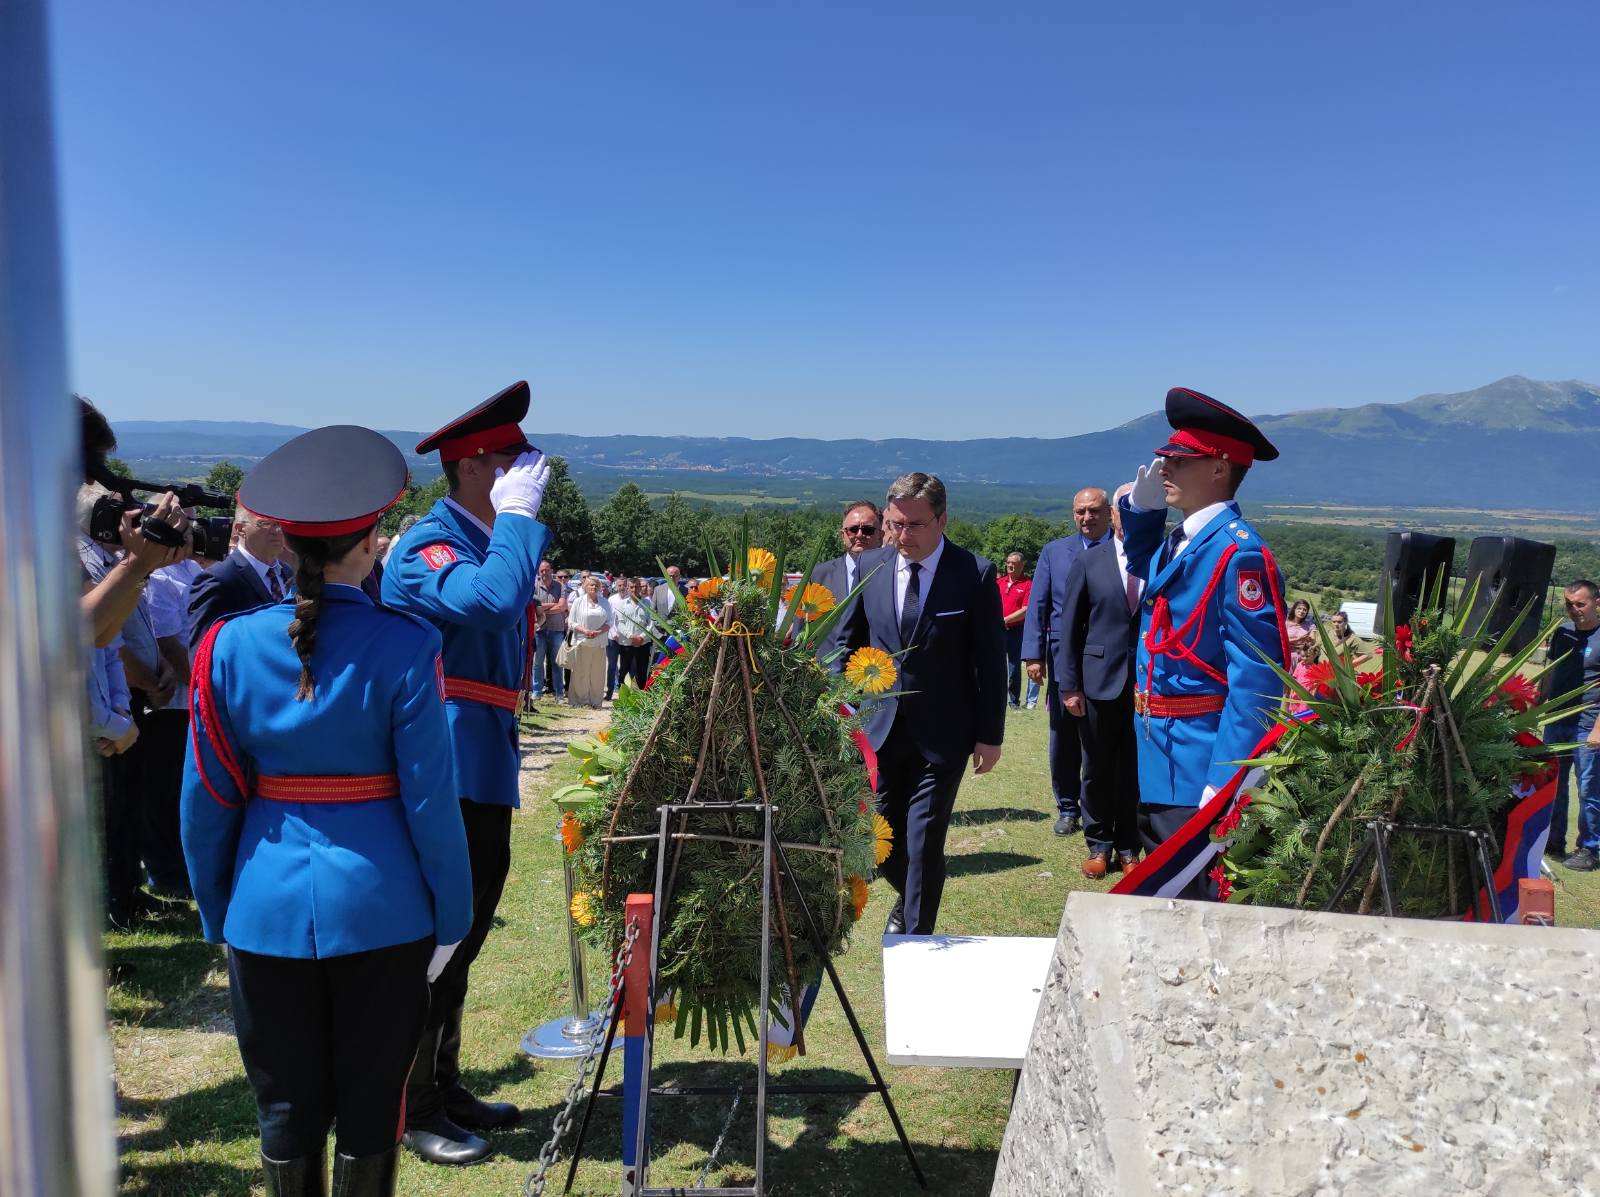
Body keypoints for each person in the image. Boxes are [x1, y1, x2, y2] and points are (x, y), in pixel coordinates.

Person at [181, 425, 473, 1196]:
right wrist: (453, 916)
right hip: (384, 911)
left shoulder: (227, 646)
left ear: (286, 540)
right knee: (372, 1109)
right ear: (372, 542)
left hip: (263, 908)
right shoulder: (406, 644)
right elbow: (431, 802)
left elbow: (208, 795)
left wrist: (217, 909)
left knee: (284, 1109)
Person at [381, 381, 551, 1165]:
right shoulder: (429, 544)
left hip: (482, 761)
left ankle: (443, 1085)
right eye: (512, 457)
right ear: (473, 465)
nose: (528, 469)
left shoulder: (479, 538)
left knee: (466, 937)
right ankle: (409, 1106)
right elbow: (491, 603)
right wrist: (517, 520)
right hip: (442, 767)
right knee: (435, 941)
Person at [1118, 387, 1289, 872]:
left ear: (1219, 469)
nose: (1164, 469)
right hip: (1159, 752)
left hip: (1199, 762)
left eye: (1180, 459)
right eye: (1166, 458)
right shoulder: (1186, 539)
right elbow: (1146, 570)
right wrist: (1141, 513)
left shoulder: (1238, 553)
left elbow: (1258, 679)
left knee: (1194, 894)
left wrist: (1228, 777)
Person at [843, 473, 1006, 935]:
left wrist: (990, 735)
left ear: (942, 520)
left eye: (915, 525)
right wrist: (841, 710)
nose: (902, 535)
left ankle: (916, 940)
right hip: (880, 731)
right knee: (880, 838)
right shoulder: (870, 565)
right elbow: (849, 644)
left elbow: (991, 662)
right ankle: (915, 893)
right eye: (894, 524)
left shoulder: (973, 572)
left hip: (943, 734)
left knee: (923, 839)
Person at [1056, 483, 1143, 878]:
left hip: (1145, 686)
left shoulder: (1160, 559)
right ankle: (1099, 844)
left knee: (1134, 769)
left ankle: (1129, 847)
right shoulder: (1090, 561)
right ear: (1114, 514)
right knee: (1096, 767)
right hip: (1097, 683)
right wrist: (1069, 685)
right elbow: (1070, 628)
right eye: (1125, 507)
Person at [1022, 487, 1112, 835]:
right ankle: (1067, 807)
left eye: (1094, 510)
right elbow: (1038, 604)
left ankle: (1099, 807)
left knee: (1103, 737)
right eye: (1080, 511)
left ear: (1109, 513)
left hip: (1110, 661)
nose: (1087, 517)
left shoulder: (1123, 550)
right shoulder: (1055, 552)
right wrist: (1033, 654)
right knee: (1063, 736)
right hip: (1064, 657)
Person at [1544, 581, 1600, 867]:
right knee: (1553, 783)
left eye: (1580, 604)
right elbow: (1550, 672)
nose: (1574, 609)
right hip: (1556, 721)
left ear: (1597, 604)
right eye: (1569, 604)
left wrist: (1598, 729)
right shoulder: (1562, 633)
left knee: (1588, 789)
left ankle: (1589, 849)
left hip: (1587, 725)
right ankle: (1553, 842)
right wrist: (1537, 706)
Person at [187, 508, 295, 649]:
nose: (278, 530)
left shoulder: (287, 572)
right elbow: (202, 649)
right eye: (266, 523)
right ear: (240, 529)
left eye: (281, 524)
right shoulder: (219, 578)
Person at [812, 500, 884, 660]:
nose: (859, 535)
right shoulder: (819, 575)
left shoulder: (894, 577)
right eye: (852, 529)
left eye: (868, 530)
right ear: (842, 535)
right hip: (825, 671)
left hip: (876, 670)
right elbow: (801, 630)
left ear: (881, 536)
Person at [566, 574, 612, 707]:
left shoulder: (605, 602)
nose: (594, 587)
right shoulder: (578, 601)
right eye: (591, 585)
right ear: (585, 586)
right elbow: (571, 622)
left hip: (600, 642)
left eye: (596, 585)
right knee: (581, 673)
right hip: (582, 641)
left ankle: (595, 702)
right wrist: (585, 631)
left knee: (597, 673)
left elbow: (609, 622)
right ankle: (581, 701)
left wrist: (599, 632)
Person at [998, 552, 1034, 709]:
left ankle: (1013, 701)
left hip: (1015, 631)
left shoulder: (1027, 584)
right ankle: (996, 698)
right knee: (995, 666)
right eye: (1008, 562)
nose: (1010, 565)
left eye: (1013, 563)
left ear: (1022, 565)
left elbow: (1026, 609)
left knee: (1013, 668)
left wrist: (1005, 620)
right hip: (997, 630)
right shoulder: (999, 582)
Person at [533, 559, 568, 703]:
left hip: (556, 630)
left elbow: (562, 607)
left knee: (557, 663)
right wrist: (551, 606)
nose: (544, 572)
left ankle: (559, 694)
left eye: (546, 570)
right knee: (538, 663)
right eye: (541, 570)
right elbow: (534, 607)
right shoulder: (534, 586)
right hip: (539, 630)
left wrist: (542, 609)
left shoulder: (560, 586)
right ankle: (536, 691)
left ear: (551, 571)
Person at [614, 576, 654, 689]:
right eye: (631, 587)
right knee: (624, 671)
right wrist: (631, 636)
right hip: (627, 643)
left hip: (643, 643)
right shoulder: (621, 604)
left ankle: (641, 695)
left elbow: (651, 623)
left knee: (642, 671)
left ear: (640, 588)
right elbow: (619, 623)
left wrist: (641, 637)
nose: (634, 589)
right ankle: (623, 695)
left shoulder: (648, 603)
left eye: (636, 587)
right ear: (627, 588)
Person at [1285, 599, 1315, 666]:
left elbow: (1313, 641)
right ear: (1294, 609)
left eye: (1304, 610)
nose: (1301, 611)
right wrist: (1298, 639)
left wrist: (1309, 639)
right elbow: (1281, 641)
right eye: (1299, 608)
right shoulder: (1285, 623)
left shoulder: (1310, 625)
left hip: (1302, 656)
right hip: (1285, 654)